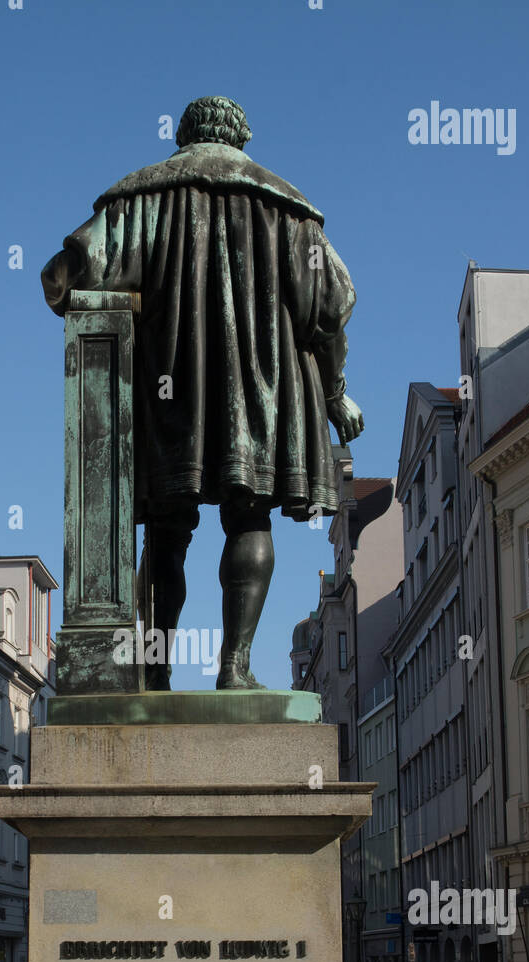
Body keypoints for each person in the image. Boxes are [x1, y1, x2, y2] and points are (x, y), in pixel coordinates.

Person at [42, 95, 363, 689]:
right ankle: (234, 670)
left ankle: (156, 675)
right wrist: (337, 393)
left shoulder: (142, 198)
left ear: (183, 137)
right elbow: (333, 306)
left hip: (171, 388)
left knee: (167, 527)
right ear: (240, 137)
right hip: (266, 395)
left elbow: (69, 272)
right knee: (250, 519)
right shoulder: (290, 210)